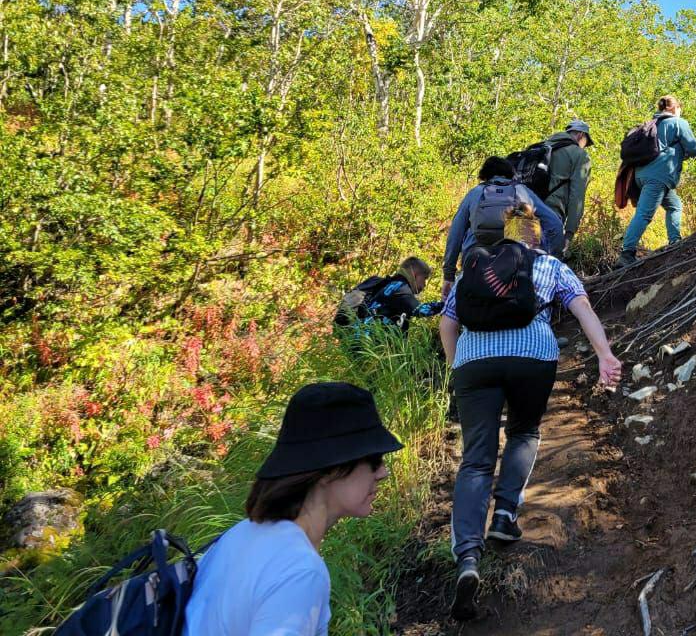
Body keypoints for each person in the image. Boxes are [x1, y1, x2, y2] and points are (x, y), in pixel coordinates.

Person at [439, 204, 622, 621]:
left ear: (503, 234)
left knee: (475, 459)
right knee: (523, 432)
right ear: (537, 236)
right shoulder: (551, 265)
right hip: (532, 356)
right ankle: (504, 514)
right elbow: (583, 309)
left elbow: (447, 323)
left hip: (474, 362)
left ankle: (467, 558)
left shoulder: (476, 265)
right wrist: (604, 355)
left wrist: (458, 369)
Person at [184, 382, 402, 636]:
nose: (383, 473)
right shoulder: (299, 570)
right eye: (374, 461)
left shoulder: (240, 536)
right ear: (330, 470)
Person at [442, 157, 564, 297]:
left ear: (484, 175)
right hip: (517, 265)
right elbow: (555, 224)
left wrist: (448, 275)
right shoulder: (522, 191)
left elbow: (455, 234)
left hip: (476, 263)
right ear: (510, 173)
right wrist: (550, 259)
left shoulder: (475, 193)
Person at [618, 95, 696, 268]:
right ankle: (627, 253)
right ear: (675, 108)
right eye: (680, 108)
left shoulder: (652, 123)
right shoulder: (678, 123)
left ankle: (675, 242)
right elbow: (693, 148)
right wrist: (683, 152)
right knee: (645, 214)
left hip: (641, 175)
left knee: (675, 205)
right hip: (658, 177)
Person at [335, 256, 437, 336]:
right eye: (424, 278)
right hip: (371, 348)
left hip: (361, 340)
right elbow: (422, 310)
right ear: (415, 274)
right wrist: (448, 304)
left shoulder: (390, 284)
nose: (424, 284)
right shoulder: (402, 288)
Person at [540, 119, 593, 256]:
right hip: (550, 214)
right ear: (581, 135)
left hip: (521, 209)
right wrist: (569, 234)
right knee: (547, 263)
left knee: (518, 261)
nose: (584, 147)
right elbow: (577, 196)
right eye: (586, 143)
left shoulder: (541, 147)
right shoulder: (579, 155)